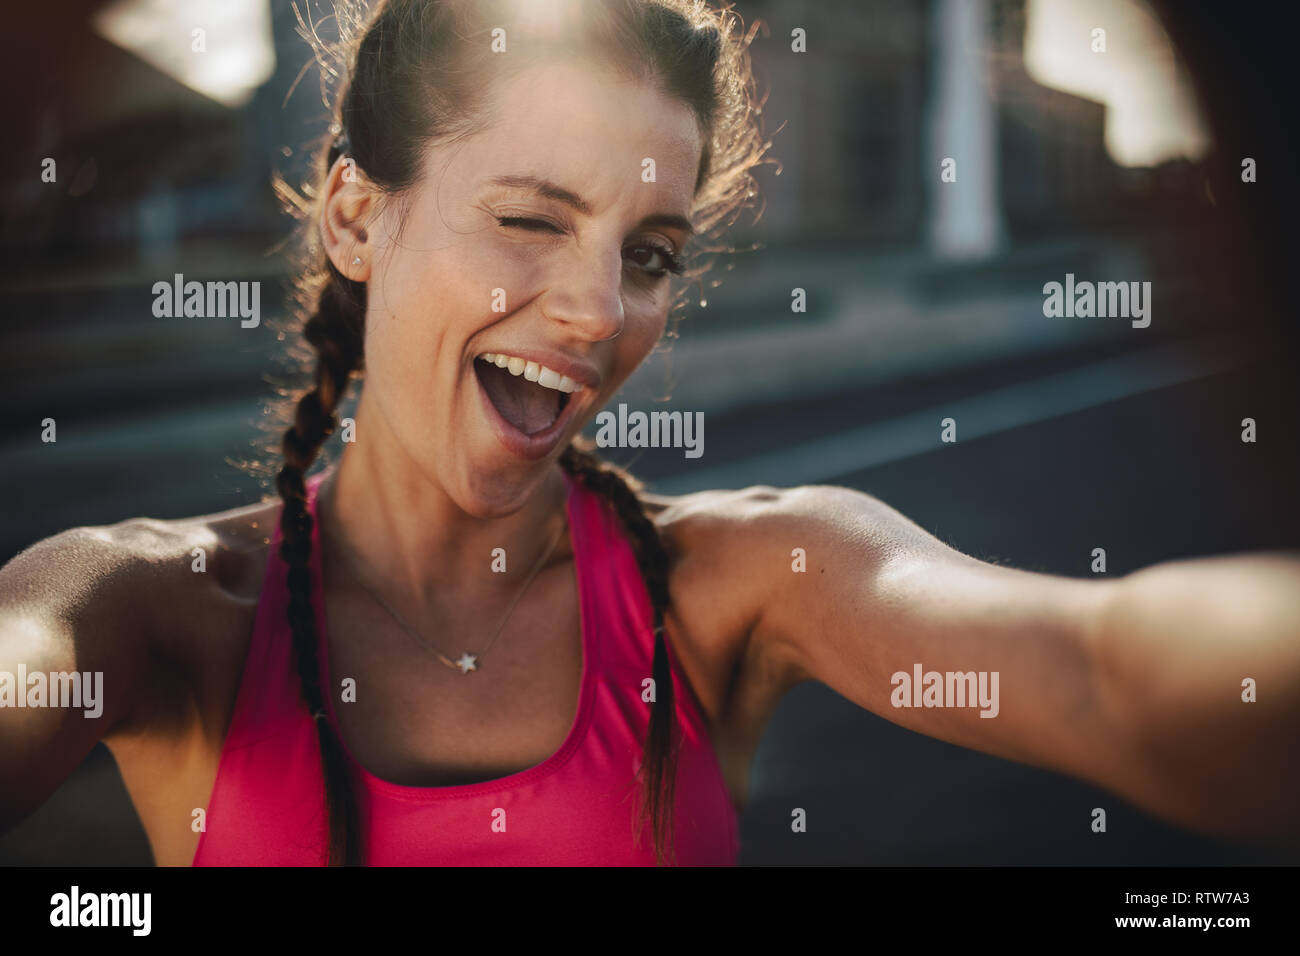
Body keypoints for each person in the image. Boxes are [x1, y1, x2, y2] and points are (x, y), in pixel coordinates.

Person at [1, 0, 1297, 866]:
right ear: (352, 215)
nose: (600, 311)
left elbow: (1108, 671)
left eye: (652, 250)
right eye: (529, 218)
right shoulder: (148, 613)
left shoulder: (736, 584)